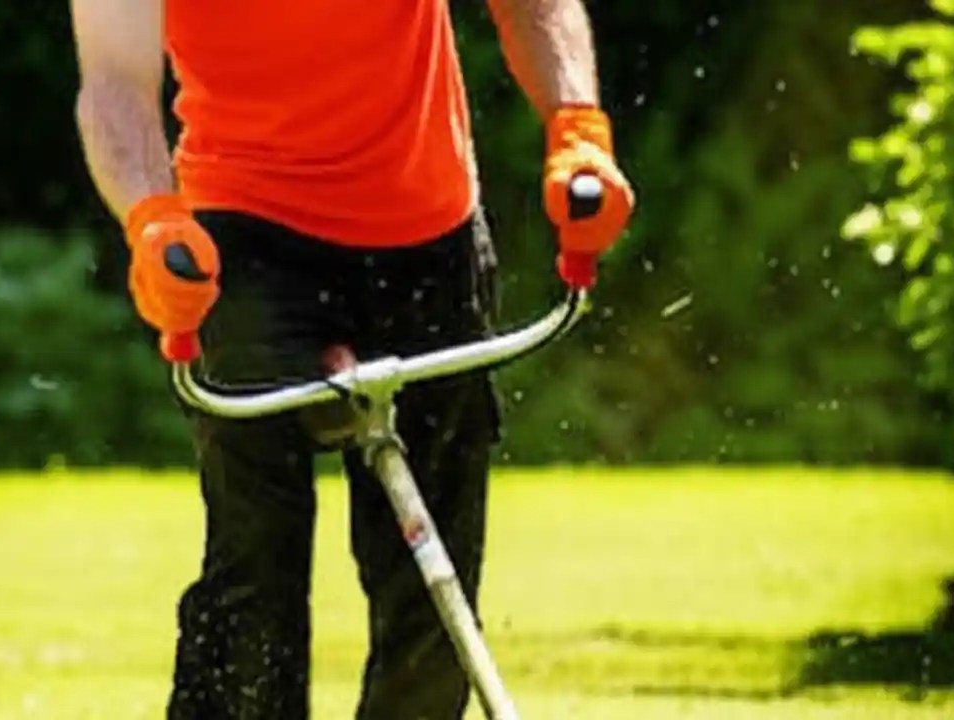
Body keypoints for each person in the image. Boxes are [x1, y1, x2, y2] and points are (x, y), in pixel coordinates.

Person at [70, 0, 634, 716]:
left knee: (431, 605)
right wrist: (152, 217)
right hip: (243, 237)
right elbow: (115, 85)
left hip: (427, 227)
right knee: (255, 572)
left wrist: (577, 129)